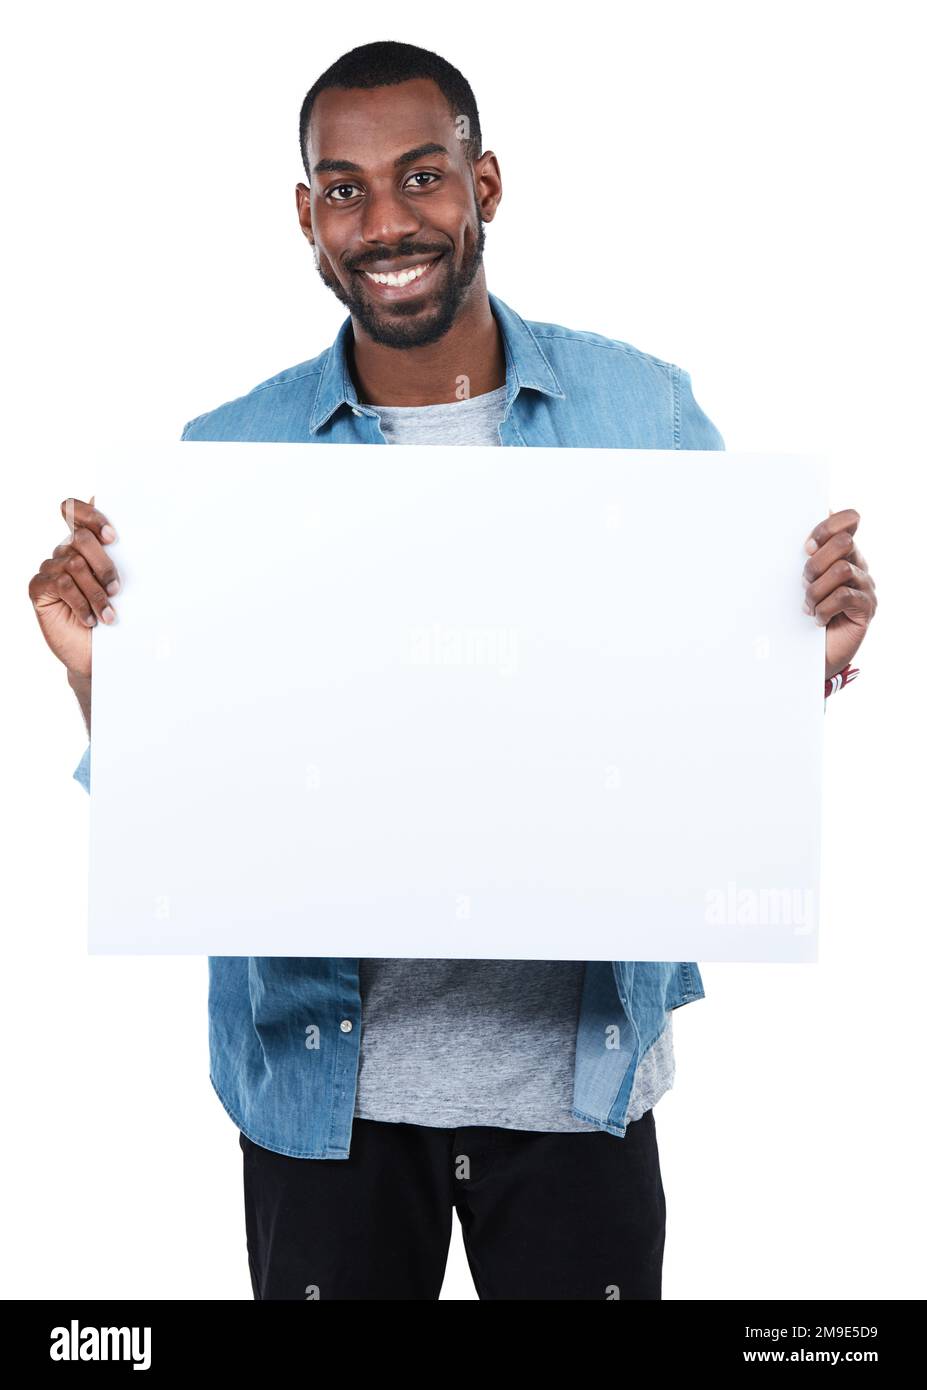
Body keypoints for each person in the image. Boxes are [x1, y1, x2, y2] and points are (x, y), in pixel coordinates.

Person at [28, 40, 875, 1300]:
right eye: (343, 189)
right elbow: (186, 807)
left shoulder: (639, 410)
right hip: (327, 1095)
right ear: (304, 216)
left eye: (421, 177)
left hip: (572, 1080)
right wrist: (98, 672)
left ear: (485, 182)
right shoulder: (224, 460)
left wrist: (803, 657)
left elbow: (702, 731)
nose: (385, 222)